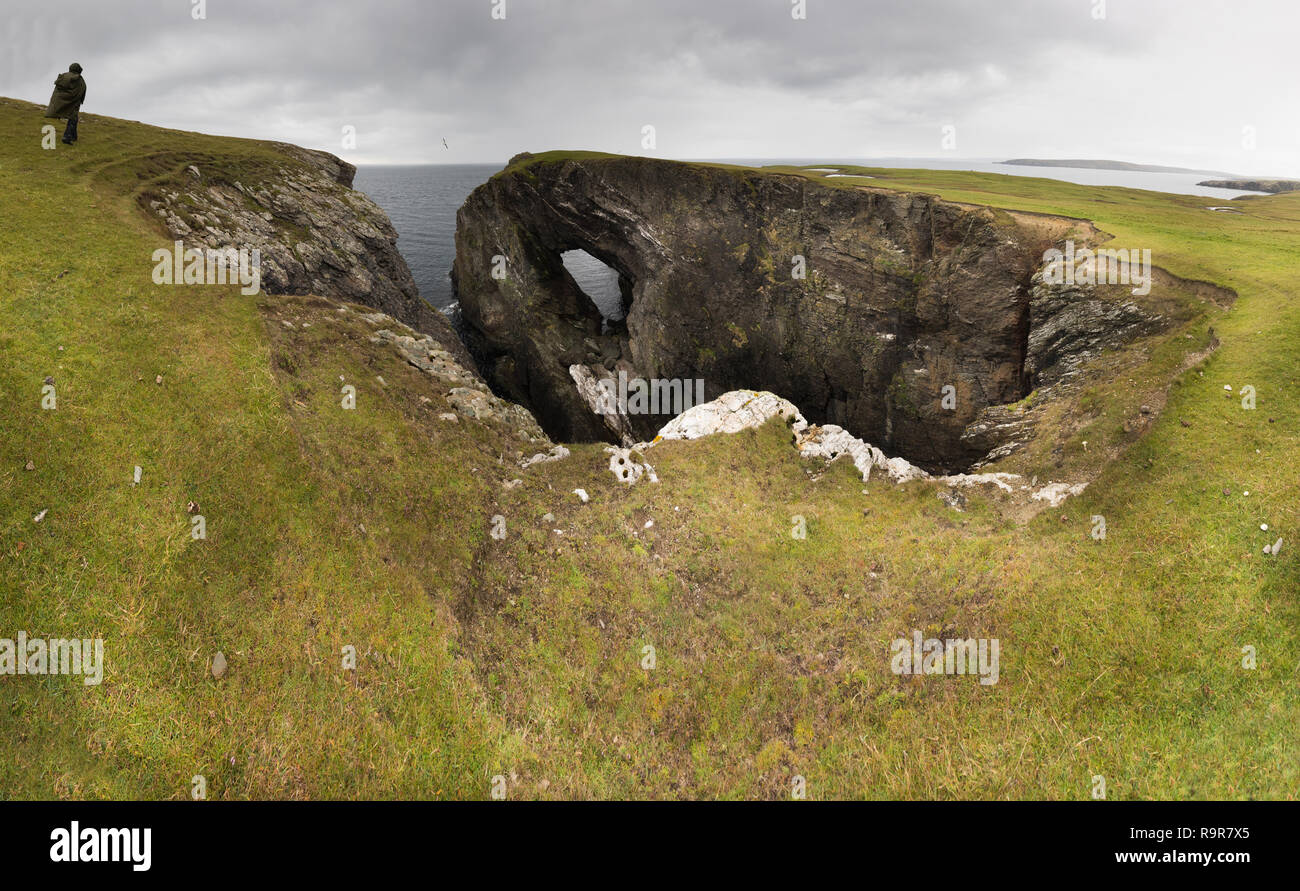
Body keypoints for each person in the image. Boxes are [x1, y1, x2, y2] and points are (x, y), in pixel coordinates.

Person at [45, 63, 86, 145]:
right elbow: (81, 91)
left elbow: (57, 91)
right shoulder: (79, 79)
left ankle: (74, 136)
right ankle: (67, 137)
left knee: (74, 118)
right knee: (73, 118)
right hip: (73, 102)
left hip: (61, 100)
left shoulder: (63, 76)